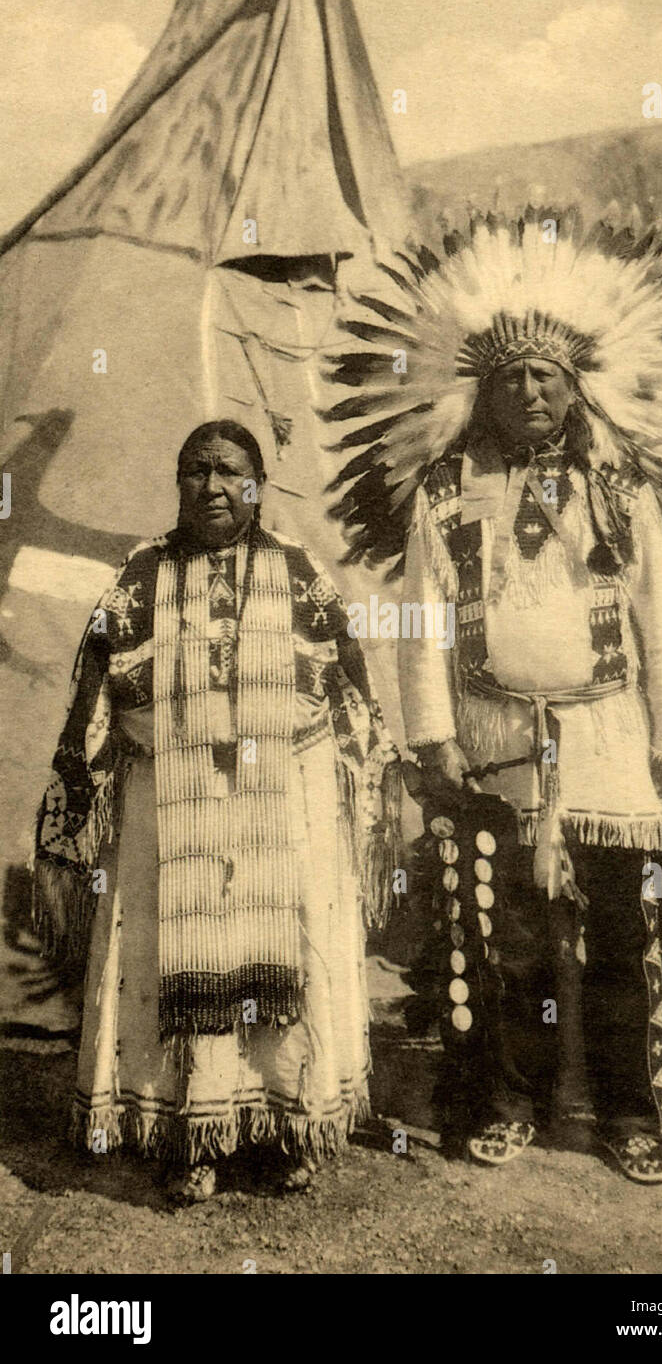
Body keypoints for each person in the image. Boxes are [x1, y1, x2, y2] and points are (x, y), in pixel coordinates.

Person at [324, 206, 662, 1183]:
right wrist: (430, 733)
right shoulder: (444, 486)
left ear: (573, 387)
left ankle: (627, 1111)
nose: (529, 390)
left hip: (607, 737)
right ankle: (498, 1096)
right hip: (487, 737)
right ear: (485, 392)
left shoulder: (618, 485)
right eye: (510, 377)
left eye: (545, 375)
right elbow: (421, 615)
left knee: (623, 936)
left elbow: (658, 608)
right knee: (491, 936)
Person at [33, 420, 400, 1202]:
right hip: (170, 807)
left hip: (285, 805)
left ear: (258, 484)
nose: (212, 487)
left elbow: (352, 701)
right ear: (178, 484)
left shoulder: (298, 573)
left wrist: (360, 792)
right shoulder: (141, 575)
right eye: (195, 471)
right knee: (180, 954)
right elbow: (92, 707)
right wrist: (97, 788)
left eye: (230, 471)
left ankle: (284, 1125)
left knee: (284, 953)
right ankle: (184, 1132)